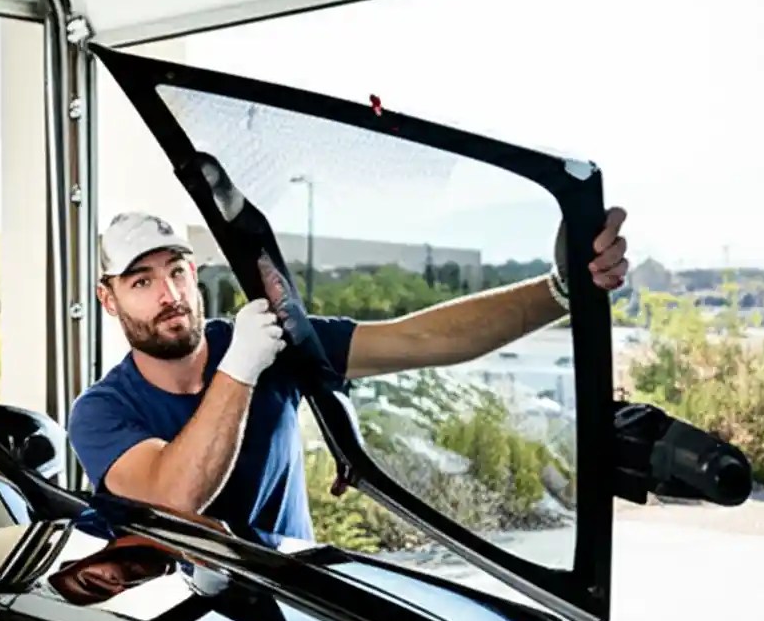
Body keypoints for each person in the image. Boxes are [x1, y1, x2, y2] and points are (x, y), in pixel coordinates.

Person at [69, 209, 629, 541]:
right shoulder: (102, 411)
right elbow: (174, 498)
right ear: (109, 299)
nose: (168, 296)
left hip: (300, 609)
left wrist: (562, 288)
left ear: (194, 275)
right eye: (141, 282)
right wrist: (240, 368)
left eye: (176, 272)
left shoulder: (267, 337)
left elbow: (422, 338)